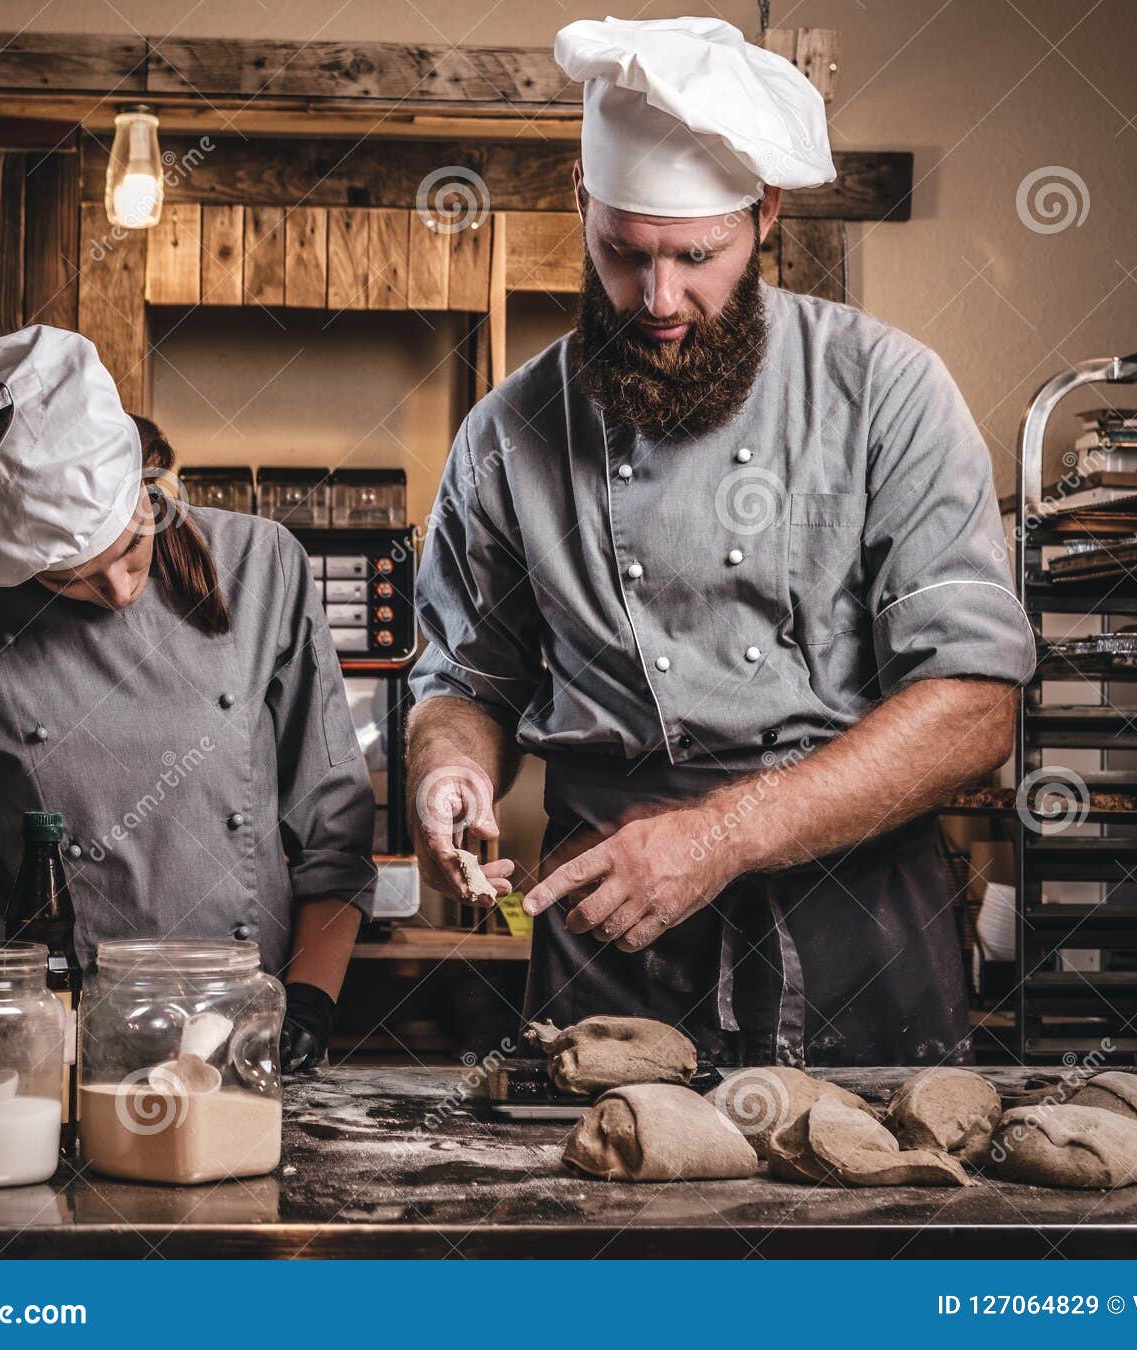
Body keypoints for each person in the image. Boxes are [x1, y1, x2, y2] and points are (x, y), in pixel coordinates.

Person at [405, 16, 1036, 1067]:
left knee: (866, 1212)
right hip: (609, 936)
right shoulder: (508, 433)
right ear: (581, 201)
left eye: (695, 258)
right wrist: (449, 773)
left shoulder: (884, 392)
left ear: (764, 216)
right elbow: (466, 679)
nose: (658, 302)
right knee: (606, 1220)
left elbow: (973, 708)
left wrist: (723, 835)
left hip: (853, 926)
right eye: (623, 254)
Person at [0, 325, 376, 1071]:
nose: (115, 590)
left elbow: (334, 834)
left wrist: (309, 1003)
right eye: (66, 580)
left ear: (145, 484)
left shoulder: (263, 565)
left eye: (129, 546)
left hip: (247, 1048)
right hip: (47, 1058)